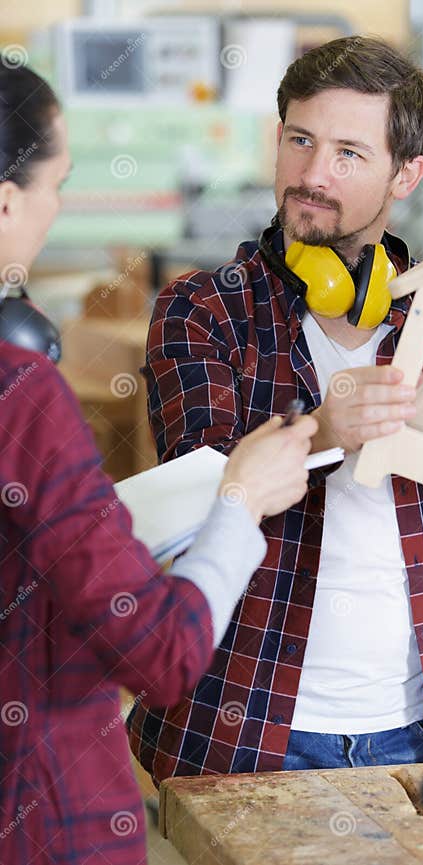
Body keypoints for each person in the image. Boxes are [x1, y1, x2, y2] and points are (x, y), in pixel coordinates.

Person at [127, 36, 423, 782]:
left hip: (414, 730)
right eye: (301, 141)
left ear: (407, 173)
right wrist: (322, 431)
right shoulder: (203, 308)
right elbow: (194, 488)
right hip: (245, 731)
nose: (312, 174)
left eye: (348, 154)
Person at [0, 65, 316, 865]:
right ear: (6, 202)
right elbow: (161, 651)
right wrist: (240, 501)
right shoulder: (21, 391)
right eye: (56, 186)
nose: (55, 208)